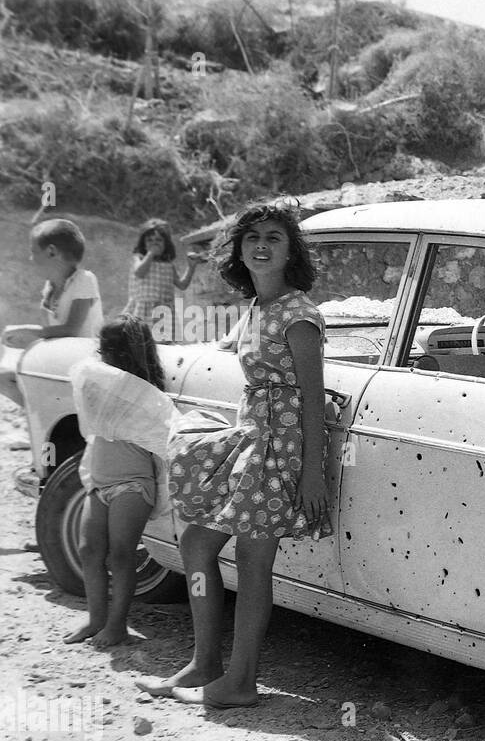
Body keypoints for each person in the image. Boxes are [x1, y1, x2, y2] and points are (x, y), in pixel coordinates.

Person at [136, 202, 329, 708]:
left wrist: (312, 475)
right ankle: (205, 663)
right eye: (252, 239)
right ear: (239, 250)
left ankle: (240, 682)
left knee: (252, 561)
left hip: (282, 449)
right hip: (252, 440)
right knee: (197, 543)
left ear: (291, 251)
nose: (261, 246)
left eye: (273, 238)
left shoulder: (300, 313)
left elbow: (313, 398)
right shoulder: (257, 308)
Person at [66, 317, 174, 647]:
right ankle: (96, 619)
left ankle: (117, 626)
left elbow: (162, 441)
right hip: (99, 481)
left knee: (122, 554)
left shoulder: (147, 395)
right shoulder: (99, 383)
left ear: (126, 353)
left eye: (110, 349)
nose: (103, 355)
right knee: (88, 549)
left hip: (132, 483)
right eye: (102, 348)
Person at [0, 218, 103, 404]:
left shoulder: (84, 280)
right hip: (60, 363)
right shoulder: (49, 289)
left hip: (85, 366)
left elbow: (72, 330)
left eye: (33, 252)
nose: (31, 259)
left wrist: (30, 332)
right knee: (3, 377)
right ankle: (41, 414)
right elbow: (51, 339)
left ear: (51, 252)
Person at [124, 218, 203, 341]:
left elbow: (182, 285)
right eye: (150, 240)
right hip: (143, 310)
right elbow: (139, 272)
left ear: (166, 244)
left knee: (163, 344)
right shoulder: (139, 258)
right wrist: (150, 254)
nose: (154, 243)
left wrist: (191, 267)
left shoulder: (168, 265)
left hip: (164, 312)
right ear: (143, 244)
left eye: (158, 240)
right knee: (141, 341)